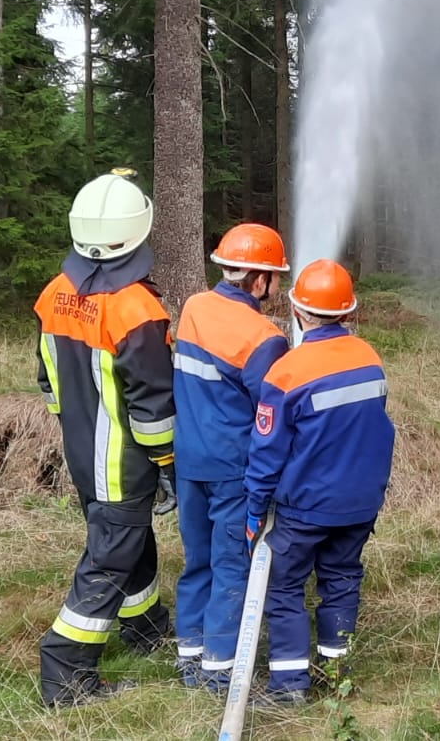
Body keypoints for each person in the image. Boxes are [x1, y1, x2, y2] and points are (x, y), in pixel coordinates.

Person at [34, 169, 176, 707]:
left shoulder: (55, 294)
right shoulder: (136, 308)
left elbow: (49, 380)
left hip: (82, 455)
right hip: (123, 462)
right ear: (139, 231)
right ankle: (65, 672)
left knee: (129, 542)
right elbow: (153, 406)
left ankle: (144, 628)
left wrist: (76, 426)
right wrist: (168, 463)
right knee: (109, 559)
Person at [244, 259, 395, 705]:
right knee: (342, 578)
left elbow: (266, 452)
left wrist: (254, 512)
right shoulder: (370, 359)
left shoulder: (287, 371)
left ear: (297, 311)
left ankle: (289, 686)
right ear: (348, 311)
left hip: (306, 507)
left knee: (285, 586)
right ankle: (337, 674)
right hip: (361, 503)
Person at [172, 224, 292, 692]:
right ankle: (219, 672)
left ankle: (189, 656)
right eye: (275, 277)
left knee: (197, 560)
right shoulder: (264, 338)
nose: (277, 286)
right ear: (259, 280)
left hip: (188, 460)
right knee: (231, 566)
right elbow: (275, 414)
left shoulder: (194, 307)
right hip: (232, 470)